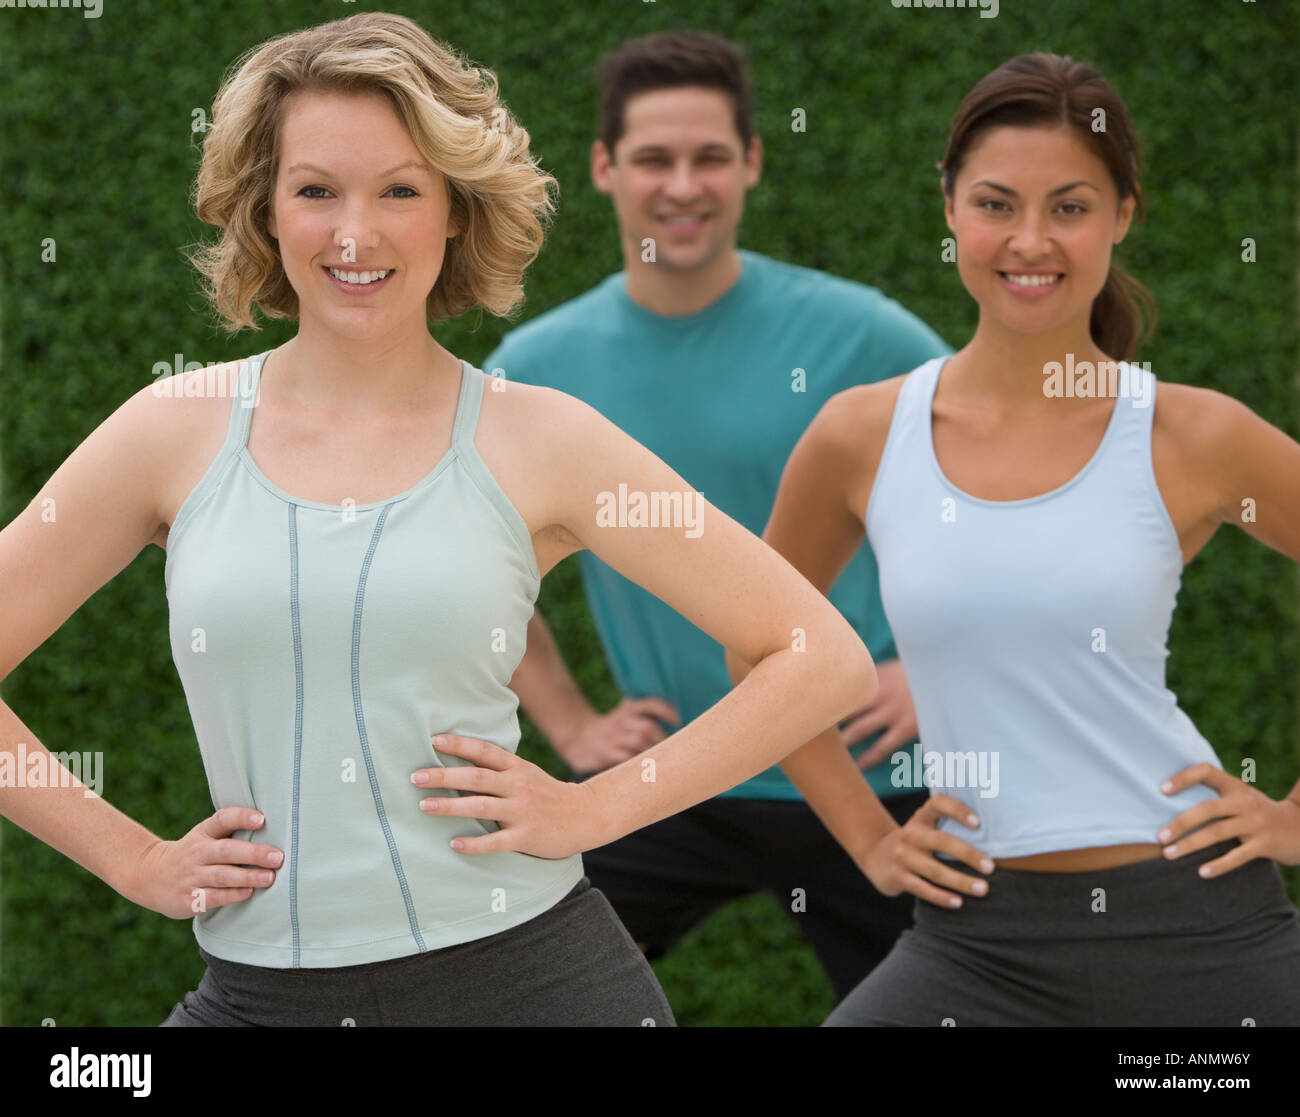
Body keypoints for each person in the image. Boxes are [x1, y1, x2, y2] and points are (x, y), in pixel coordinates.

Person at [0, 12, 878, 1028]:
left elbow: (820, 655)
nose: (354, 234)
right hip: (256, 995)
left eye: (401, 191)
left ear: (456, 210)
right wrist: (133, 858)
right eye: (315, 190)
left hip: (534, 988)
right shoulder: (170, 430)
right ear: (264, 208)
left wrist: (595, 805)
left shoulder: (541, 436)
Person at [730, 51, 1300, 1026]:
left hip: (1197, 922)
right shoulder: (861, 434)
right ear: (950, 207)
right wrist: (870, 839)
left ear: (1121, 216)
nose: (1030, 240)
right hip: (975, 940)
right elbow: (756, 641)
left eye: (1070, 207)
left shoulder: (1191, 433)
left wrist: (1291, 818)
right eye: (996, 203)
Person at [485, 30, 951, 1005]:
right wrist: (570, 723)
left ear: (752, 162)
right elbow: (468, 563)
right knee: (518, 997)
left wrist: (936, 665)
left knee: (956, 1010)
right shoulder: (535, 369)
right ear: (605, 168)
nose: (682, 185)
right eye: (654, 158)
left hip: (871, 772)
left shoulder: (862, 333)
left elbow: (1005, 490)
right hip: (669, 781)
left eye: (709, 157)